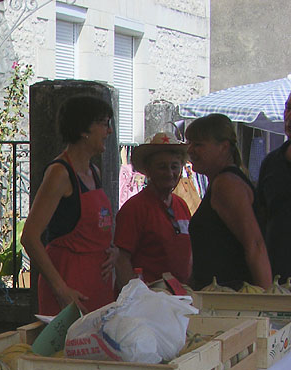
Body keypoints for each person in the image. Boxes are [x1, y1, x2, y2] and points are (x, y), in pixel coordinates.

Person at [21, 95, 117, 315]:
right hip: (69, 287)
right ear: (84, 129)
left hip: (98, 285)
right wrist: (60, 288)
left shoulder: (95, 172)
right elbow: (29, 237)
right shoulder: (60, 173)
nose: (109, 131)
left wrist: (113, 252)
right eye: (104, 124)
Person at [185, 113, 272, 290]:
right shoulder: (221, 182)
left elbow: (255, 245)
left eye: (198, 144)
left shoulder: (227, 184)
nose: (190, 150)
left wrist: (266, 303)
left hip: (231, 300)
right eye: (190, 143)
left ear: (224, 147)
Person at [113, 133, 192, 285]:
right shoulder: (134, 208)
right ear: (148, 170)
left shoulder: (182, 205)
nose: (169, 173)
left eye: (174, 167)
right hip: (149, 298)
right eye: (162, 167)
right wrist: (134, 297)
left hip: (180, 297)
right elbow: (121, 259)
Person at [255, 92, 291, 282]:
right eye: (288, 108)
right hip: (278, 279)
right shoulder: (271, 163)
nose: (289, 116)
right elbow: (262, 216)